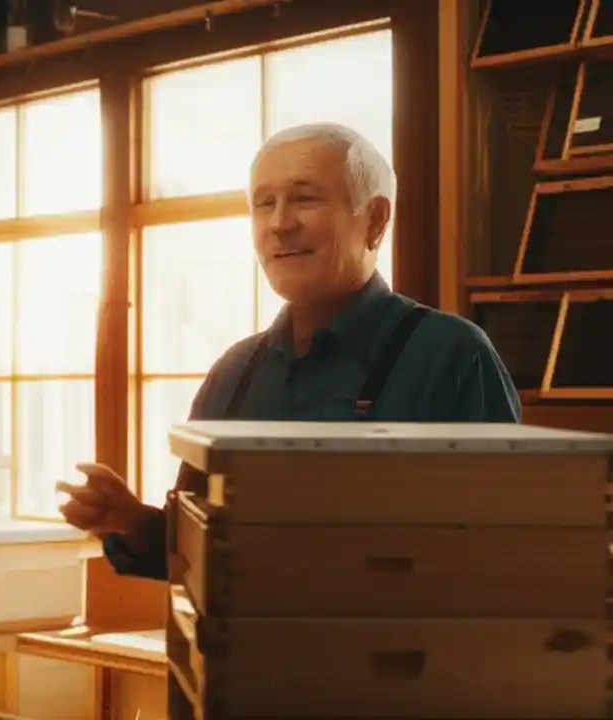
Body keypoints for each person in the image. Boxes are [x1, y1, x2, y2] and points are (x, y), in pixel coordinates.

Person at [59, 123, 521, 581]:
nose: (280, 223)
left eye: (305, 198)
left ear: (376, 220)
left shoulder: (450, 355)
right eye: (264, 204)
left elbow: (504, 552)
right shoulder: (236, 372)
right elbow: (198, 552)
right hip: (240, 654)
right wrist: (132, 521)